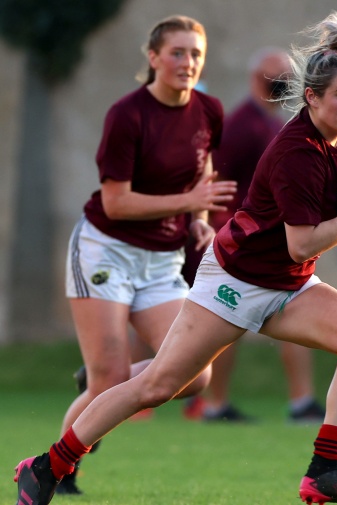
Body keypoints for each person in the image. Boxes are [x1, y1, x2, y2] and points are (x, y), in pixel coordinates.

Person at [14, 11, 337, 505]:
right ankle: (45, 467)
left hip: (288, 283)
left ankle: (324, 471)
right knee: (158, 386)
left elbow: (304, 247)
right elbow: (303, 243)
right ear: (311, 96)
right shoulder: (297, 153)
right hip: (237, 280)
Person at [50, 15, 236, 496]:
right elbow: (116, 202)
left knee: (195, 373)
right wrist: (188, 204)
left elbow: (203, 170)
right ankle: (55, 468)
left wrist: (198, 218)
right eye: (177, 52)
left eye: (196, 53)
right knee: (109, 379)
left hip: (161, 260)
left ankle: (98, 380)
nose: (187, 62)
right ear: (153, 58)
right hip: (105, 250)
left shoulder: (209, 110)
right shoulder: (127, 115)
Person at [180, 46, 326, 424]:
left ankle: (301, 400)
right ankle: (212, 401)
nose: (281, 85)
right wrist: (217, 231)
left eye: (286, 77)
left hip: (278, 245)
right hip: (241, 246)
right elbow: (216, 180)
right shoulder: (243, 124)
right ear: (254, 78)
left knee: (294, 313)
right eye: (272, 77)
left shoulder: (278, 123)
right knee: (222, 327)